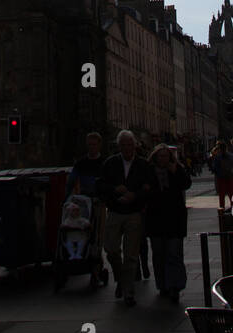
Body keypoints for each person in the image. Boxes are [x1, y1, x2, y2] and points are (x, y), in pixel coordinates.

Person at [99, 131, 153, 306]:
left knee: (130, 256)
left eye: (130, 144)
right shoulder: (110, 163)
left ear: (135, 145)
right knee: (111, 249)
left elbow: (148, 188)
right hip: (115, 211)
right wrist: (116, 191)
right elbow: (101, 185)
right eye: (123, 145)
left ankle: (128, 291)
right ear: (119, 146)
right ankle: (121, 280)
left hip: (133, 213)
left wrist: (134, 196)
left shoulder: (143, 165)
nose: (127, 148)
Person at [144, 145, 191, 303]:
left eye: (166, 156)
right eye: (160, 156)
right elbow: (145, 192)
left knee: (174, 253)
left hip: (174, 219)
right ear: (155, 158)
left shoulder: (177, 169)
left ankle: (175, 286)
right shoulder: (149, 172)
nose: (163, 159)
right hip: (156, 220)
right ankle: (163, 284)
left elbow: (186, 184)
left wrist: (175, 170)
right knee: (159, 254)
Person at [66, 132, 105, 198]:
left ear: (99, 145)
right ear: (87, 145)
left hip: (100, 200)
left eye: (94, 144)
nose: (92, 147)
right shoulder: (80, 163)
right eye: (90, 144)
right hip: (84, 199)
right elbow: (71, 182)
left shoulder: (105, 163)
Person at [210, 141, 233, 210]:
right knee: (231, 194)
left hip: (221, 177)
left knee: (222, 195)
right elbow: (231, 166)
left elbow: (214, 168)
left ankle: (222, 210)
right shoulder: (230, 155)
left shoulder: (217, 156)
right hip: (229, 176)